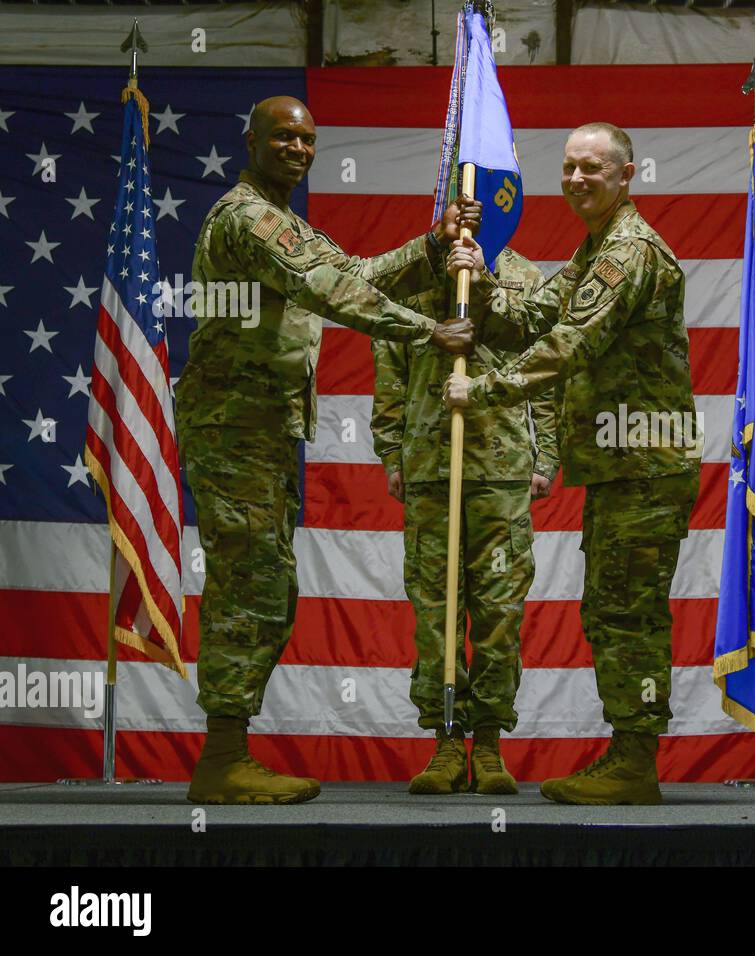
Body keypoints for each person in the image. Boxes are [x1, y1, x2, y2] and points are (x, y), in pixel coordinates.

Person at [177, 96, 475, 805]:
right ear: (250, 141)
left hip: (261, 428)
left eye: (308, 139)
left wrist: (432, 247)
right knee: (249, 588)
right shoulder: (248, 217)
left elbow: (355, 278)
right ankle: (220, 760)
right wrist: (426, 331)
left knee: (266, 587)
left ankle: (227, 754)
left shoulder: (283, 221)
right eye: (283, 136)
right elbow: (331, 289)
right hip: (235, 428)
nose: (298, 149)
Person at [443, 122, 701, 805]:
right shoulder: (596, 250)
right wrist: (478, 279)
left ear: (627, 175)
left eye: (593, 167)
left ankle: (635, 762)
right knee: (613, 611)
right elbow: (535, 315)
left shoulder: (628, 252)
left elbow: (568, 343)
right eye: (569, 168)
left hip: (646, 466)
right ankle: (628, 751)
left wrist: (486, 387)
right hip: (624, 466)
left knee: (629, 615)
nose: (578, 178)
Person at [372, 232, 556, 796]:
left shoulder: (526, 282)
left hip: (502, 471)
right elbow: (390, 374)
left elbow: (548, 373)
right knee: (436, 612)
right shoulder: (413, 282)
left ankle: (491, 743)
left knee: (499, 613)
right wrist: (392, 452)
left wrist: (546, 453)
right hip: (431, 469)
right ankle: (447, 743)